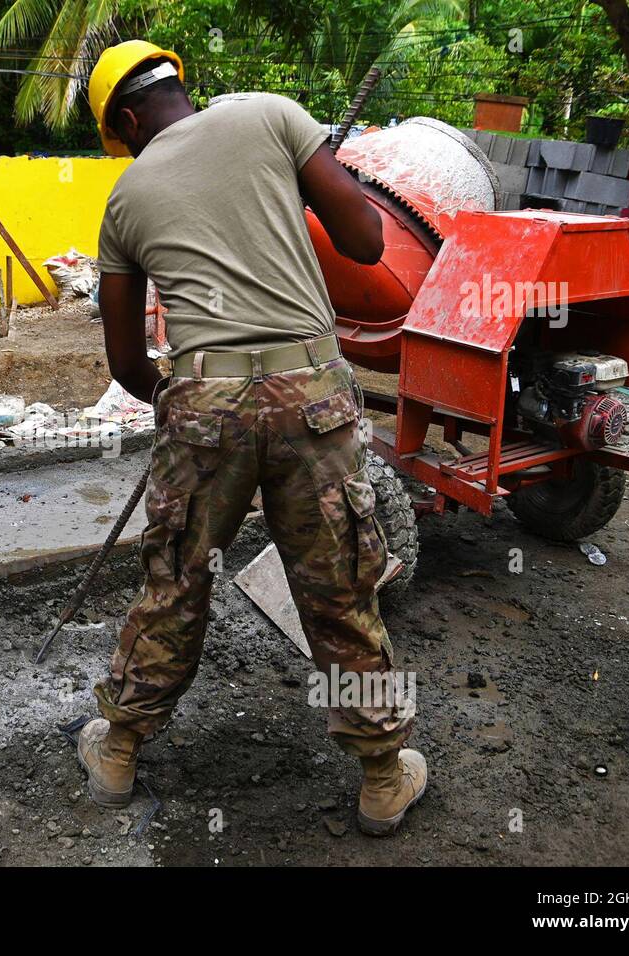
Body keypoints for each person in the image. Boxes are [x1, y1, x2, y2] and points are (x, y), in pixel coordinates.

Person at [75, 41, 424, 836]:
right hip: (315, 400)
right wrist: (292, 185)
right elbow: (367, 242)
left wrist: (184, 399)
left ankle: (120, 751)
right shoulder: (273, 115)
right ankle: (380, 775)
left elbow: (127, 361)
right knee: (340, 590)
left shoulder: (125, 200)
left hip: (206, 405)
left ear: (127, 120)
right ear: (177, 86)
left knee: (175, 578)